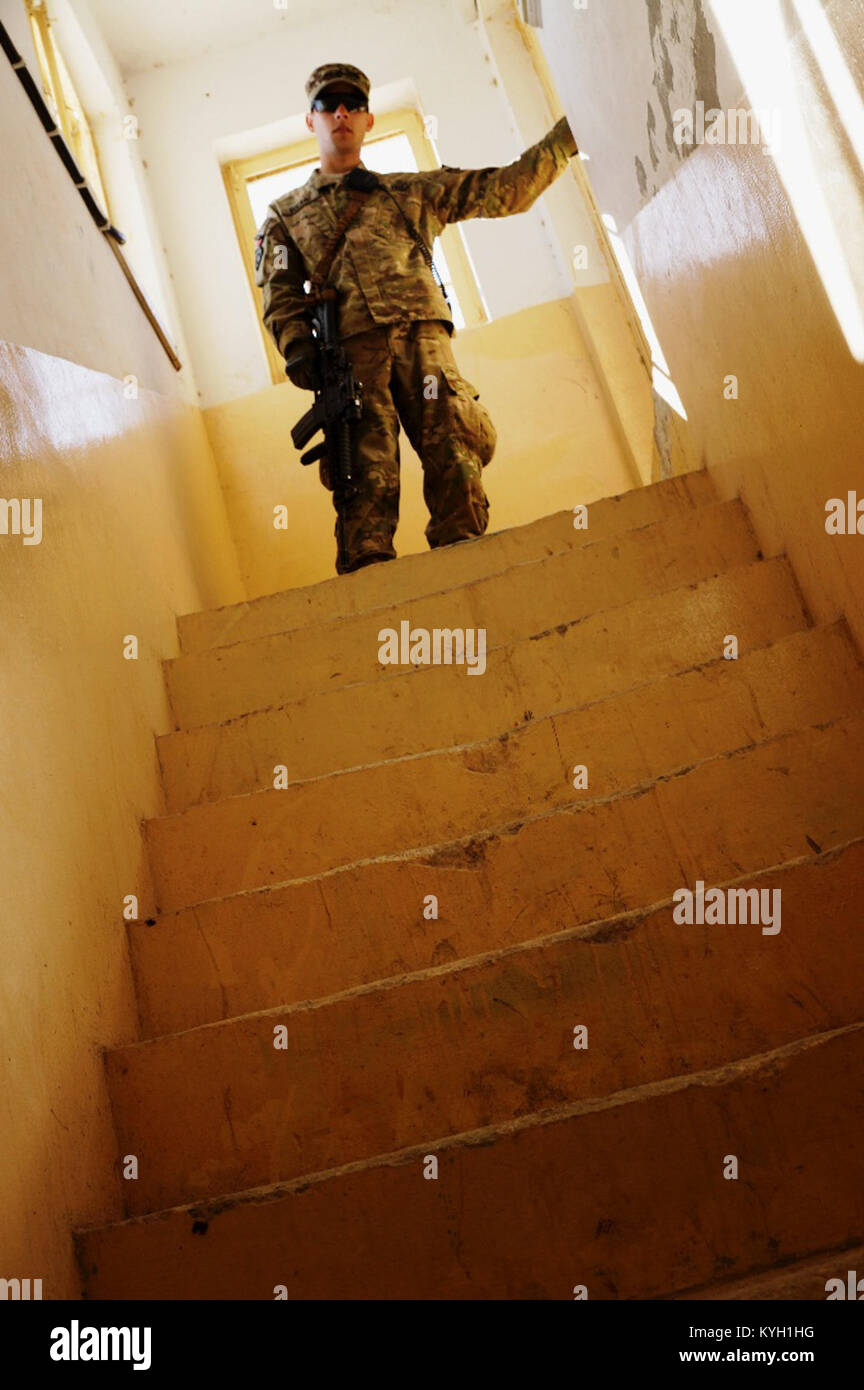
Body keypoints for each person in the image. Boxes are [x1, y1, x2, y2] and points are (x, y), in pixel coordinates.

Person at [255, 61, 579, 575]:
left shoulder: (408, 190)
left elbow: (508, 189)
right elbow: (280, 293)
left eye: (353, 104)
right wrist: (298, 349)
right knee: (365, 470)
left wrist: (570, 132)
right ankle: (374, 581)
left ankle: (468, 561)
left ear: (368, 121)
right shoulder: (284, 214)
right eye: (327, 104)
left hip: (425, 339)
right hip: (352, 356)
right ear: (310, 120)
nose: (340, 112)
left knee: (453, 442)